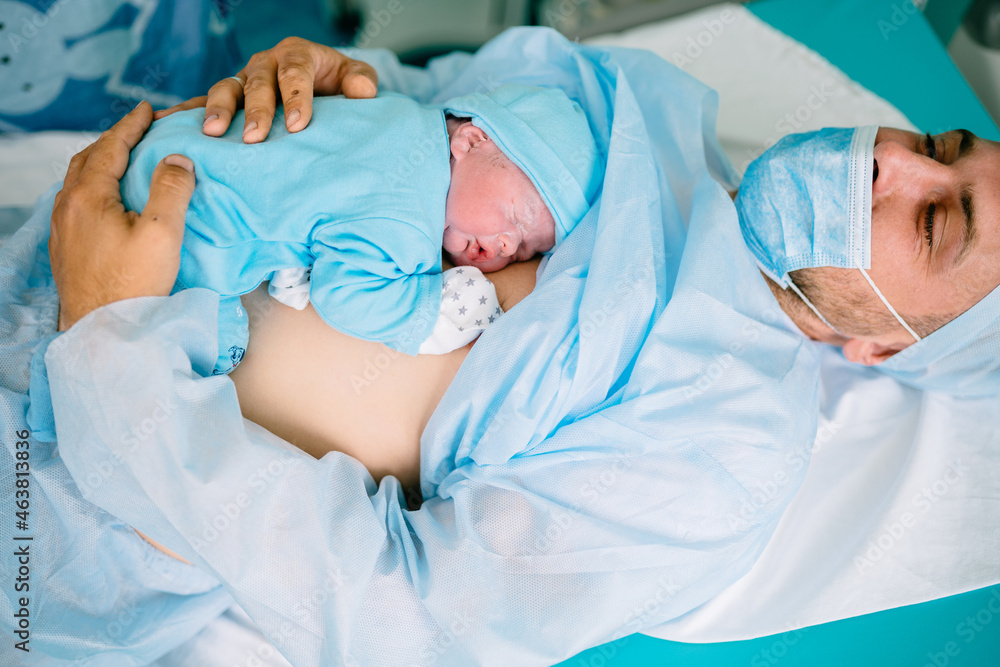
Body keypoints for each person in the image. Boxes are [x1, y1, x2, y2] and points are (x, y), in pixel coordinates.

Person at [12, 29, 999, 667]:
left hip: (60, 489)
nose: (893, 162)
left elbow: (405, 618)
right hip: (45, 239)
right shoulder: (627, 101)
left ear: (885, 351)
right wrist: (320, 89)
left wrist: (110, 341)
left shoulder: (719, 443)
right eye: (943, 145)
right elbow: (404, 100)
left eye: (934, 223)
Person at [121, 84, 600, 372]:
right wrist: (431, 317)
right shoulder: (408, 221)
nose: (506, 245)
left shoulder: (394, 112)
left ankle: (290, 255)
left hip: (173, 144)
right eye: (517, 218)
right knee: (214, 357)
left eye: (524, 252)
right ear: (471, 141)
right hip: (177, 229)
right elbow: (346, 295)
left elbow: (320, 181)